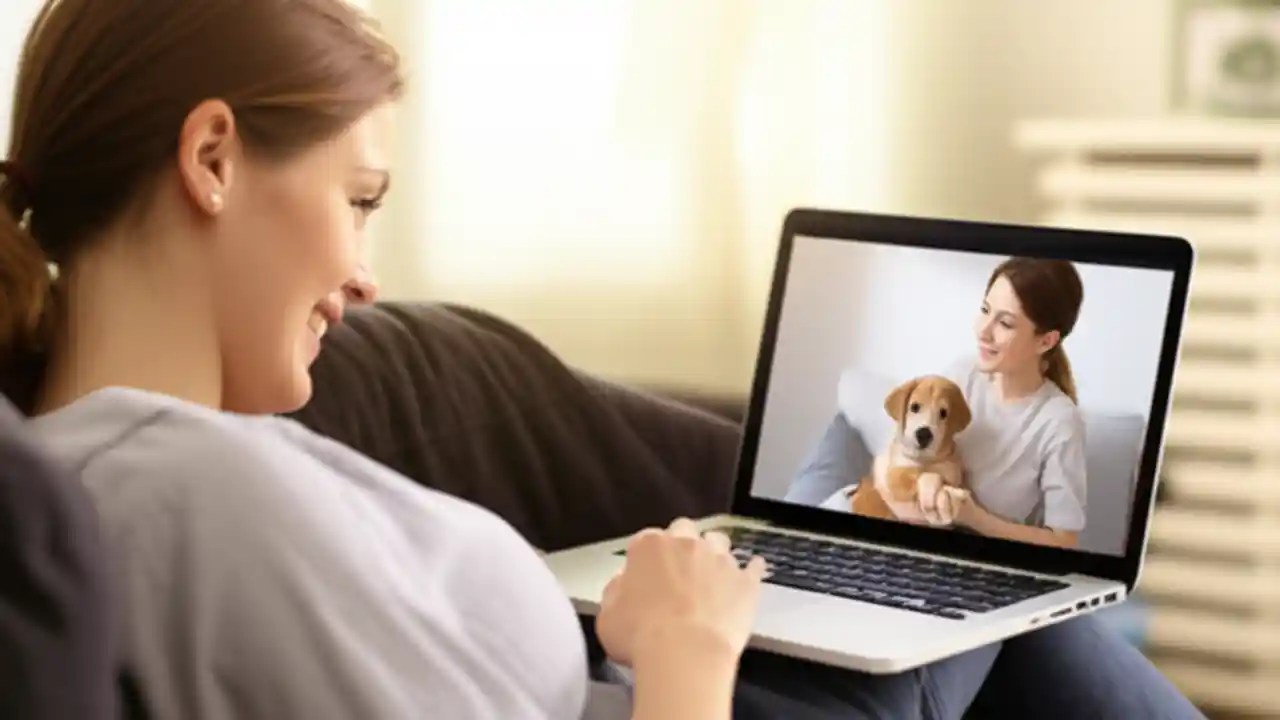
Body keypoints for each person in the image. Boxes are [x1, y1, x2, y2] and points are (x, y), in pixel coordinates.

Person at [0, 1, 1204, 718]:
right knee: (1008, 599)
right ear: (211, 158)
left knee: (997, 592)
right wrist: (682, 649)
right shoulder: (196, 501)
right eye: (358, 199)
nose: (366, 276)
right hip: (695, 690)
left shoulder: (133, 465)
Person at [937, 257, 1089, 549]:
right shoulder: (961, 375)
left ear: (1045, 341)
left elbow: (1063, 541)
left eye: (1005, 323)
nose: (984, 331)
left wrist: (974, 518)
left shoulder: (1059, 422)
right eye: (985, 310)